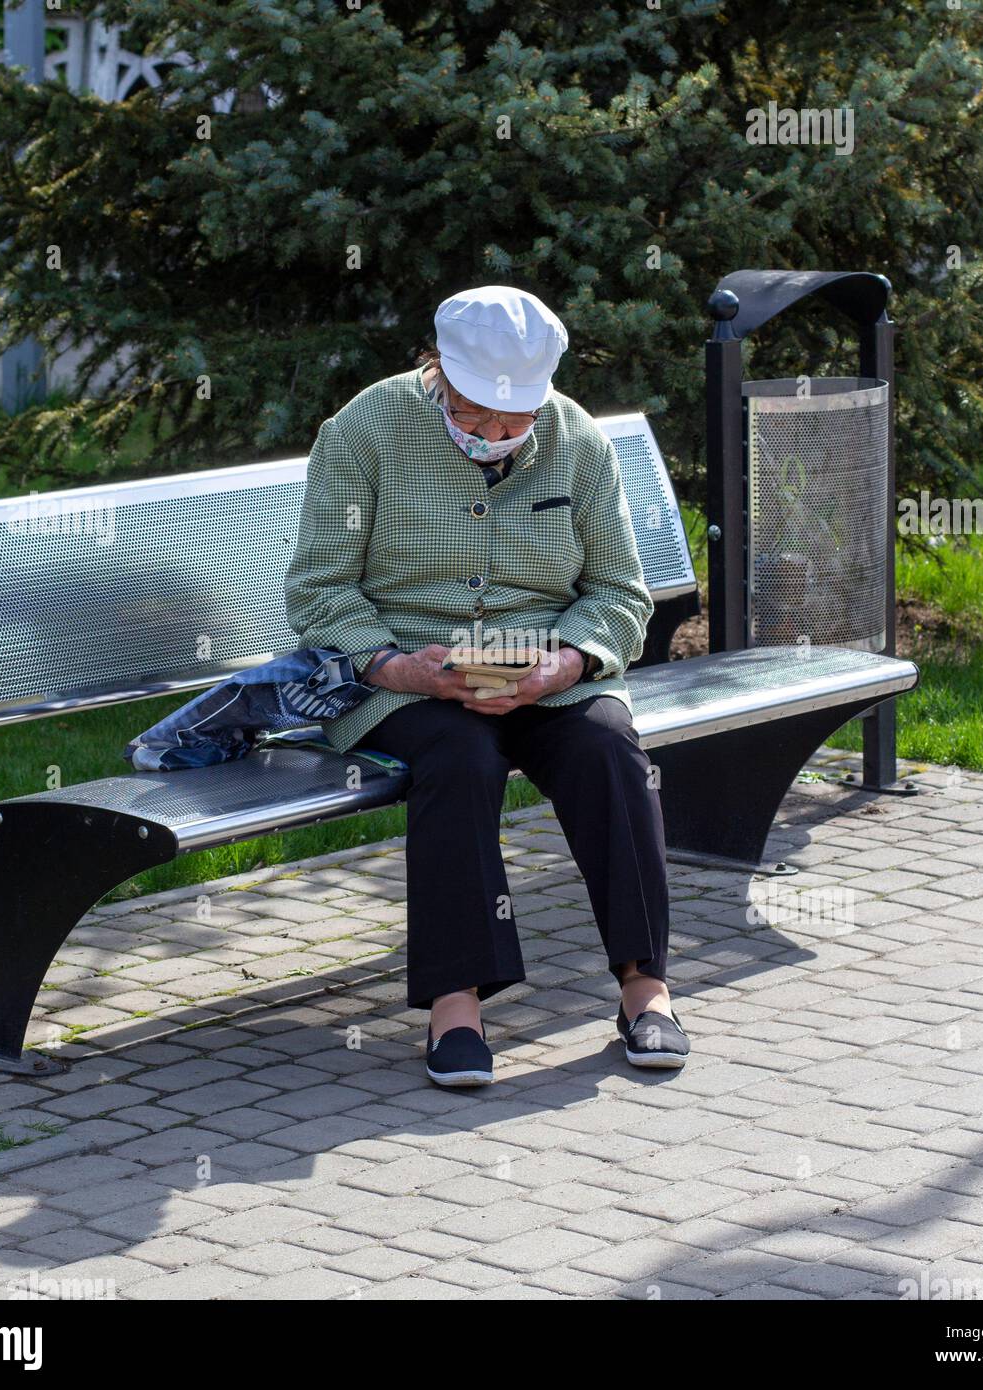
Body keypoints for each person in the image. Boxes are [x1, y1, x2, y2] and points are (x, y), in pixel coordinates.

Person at [285, 285, 689, 1086]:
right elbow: (320, 590)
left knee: (609, 751)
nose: (495, 436)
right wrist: (397, 666)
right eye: (473, 417)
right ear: (435, 369)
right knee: (460, 761)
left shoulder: (575, 440)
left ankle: (646, 988)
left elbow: (618, 590)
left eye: (514, 422)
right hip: (403, 673)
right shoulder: (364, 430)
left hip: (545, 669)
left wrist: (568, 663)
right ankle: (454, 1004)